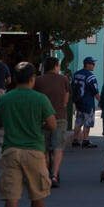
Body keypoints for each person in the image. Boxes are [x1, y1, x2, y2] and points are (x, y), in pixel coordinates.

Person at [0, 61, 56, 207]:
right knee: (38, 195)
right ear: (32, 79)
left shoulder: (6, 99)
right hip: (34, 150)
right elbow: (52, 124)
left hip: (11, 150)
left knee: (11, 197)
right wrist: (38, 125)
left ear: (14, 78)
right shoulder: (40, 99)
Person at [35, 56, 70, 188]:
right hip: (59, 116)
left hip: (43, 118)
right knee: (57, 147)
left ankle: (45, 175)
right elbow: (66, 98)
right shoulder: (64, 79)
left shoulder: (38, 80)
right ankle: (54, 175)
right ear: (56, 66)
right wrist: (62, 105)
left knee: (44, 148)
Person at [70, 57, 100, 147]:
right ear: (87, 65)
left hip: (78, 102)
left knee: (78, 121)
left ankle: (75, 140)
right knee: (88, 122)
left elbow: (72, 87)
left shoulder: (76, 74)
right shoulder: (90, 76)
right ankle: (86, 140)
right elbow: (95, 91)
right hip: (88, 102)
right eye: (92, 64)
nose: (94, 65)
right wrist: (101, 102)